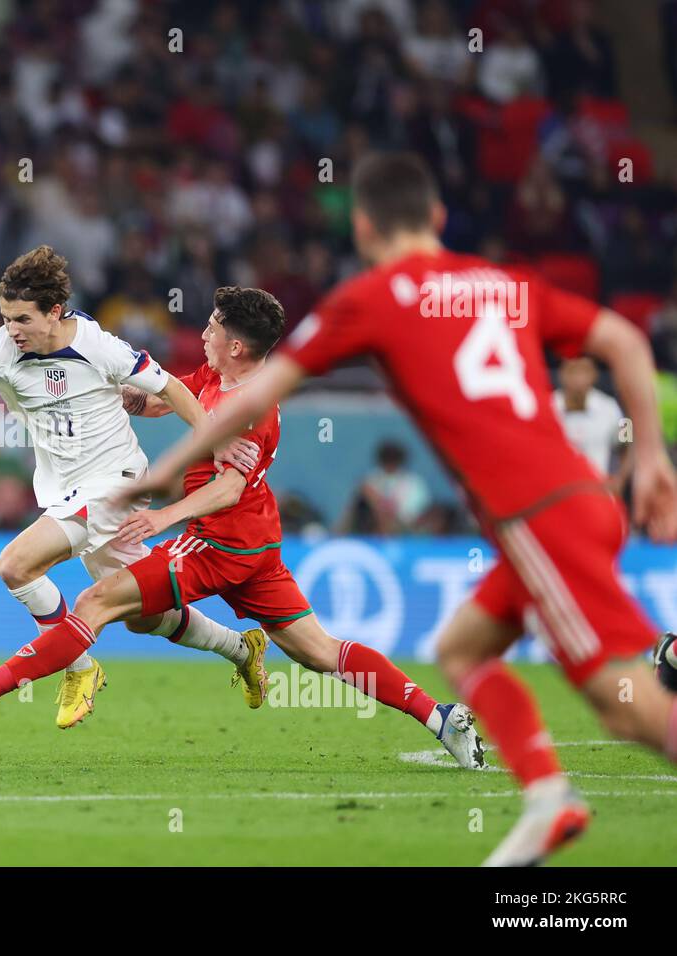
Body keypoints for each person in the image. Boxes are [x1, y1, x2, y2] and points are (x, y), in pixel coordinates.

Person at [135, 152, 677, 866]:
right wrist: (651, 459)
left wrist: (157, 476)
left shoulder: (373, 298)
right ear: (439, 219)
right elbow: (625, 340)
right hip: (574, 501)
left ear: (362, 228)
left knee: (621, 700)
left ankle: (555, 795)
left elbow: (260, 395)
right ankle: (547, 800)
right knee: (461, 649)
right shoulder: (504, 283)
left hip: (536, 513)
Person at [0, 287, 484, 770]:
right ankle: (441, 718)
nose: (204, 331)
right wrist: (113, 389)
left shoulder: (253, 406)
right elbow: (163, 402)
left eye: (213, 327)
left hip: (214, 541)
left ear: (236, 346)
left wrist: (163, 517)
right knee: (319, 652)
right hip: (256, 545)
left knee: (96, 602)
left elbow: (228, 488)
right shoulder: (217, 378)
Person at [0, 245, 261, 729]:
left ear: (55, 312)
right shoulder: (0, 351)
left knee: (16, 564)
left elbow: (168, 388)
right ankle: (240, 647)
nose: (11, 330)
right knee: (143, 615)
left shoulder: (98, 345)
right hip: (65, 490)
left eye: (21, 319)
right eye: (4, 317)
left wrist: (214, 441)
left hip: (117, 483)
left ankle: (78, 668)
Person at [554, 356, 630, 492]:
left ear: (594, 375)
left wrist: (620, 479)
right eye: (572, 371)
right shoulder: (547, 406)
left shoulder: (611, 407)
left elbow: (628, 443)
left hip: (597, 493)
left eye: (584, 371)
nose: (578, 379)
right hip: (556, 495)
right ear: (561, 374)